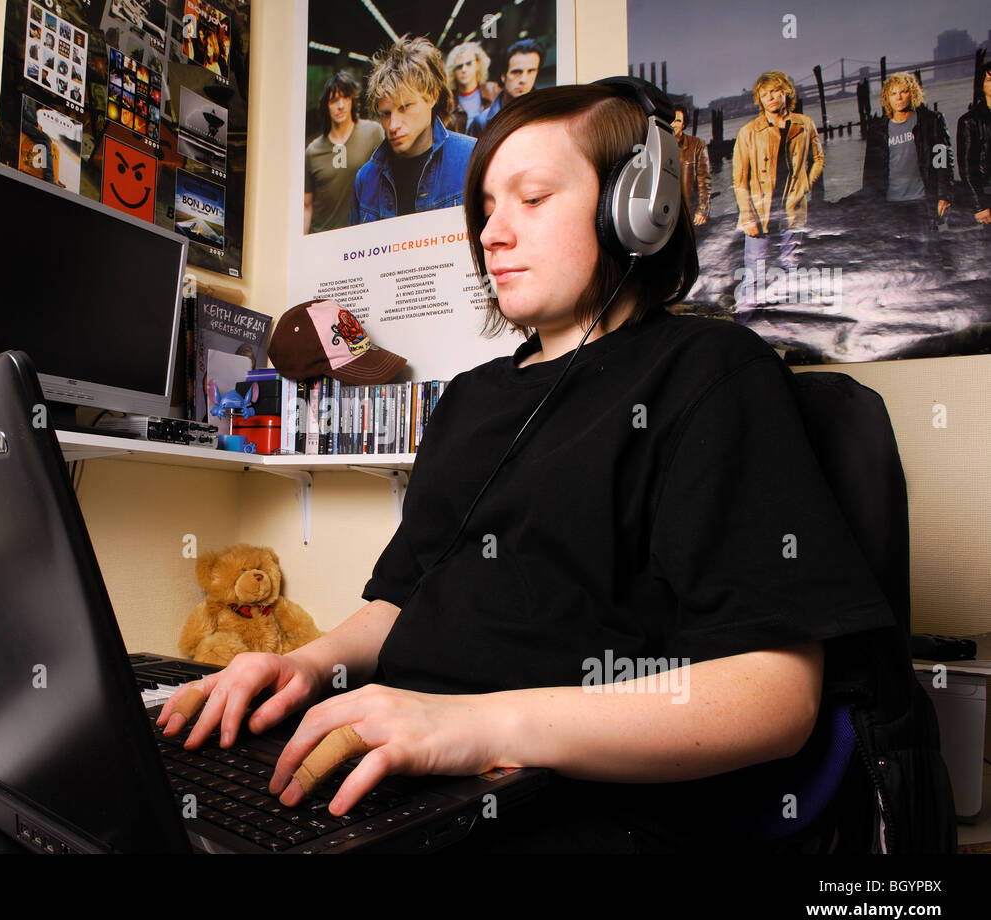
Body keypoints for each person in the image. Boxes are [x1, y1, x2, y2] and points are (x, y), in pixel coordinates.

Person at [158, 82, 897, 852]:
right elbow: (399, 604)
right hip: (400, 771)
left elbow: (774, 696)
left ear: (640, 207)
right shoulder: (469, 402)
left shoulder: (711, 375)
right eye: (485, 210)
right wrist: (301, 666)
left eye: (533, 198)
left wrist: (478, 727)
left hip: (571, 805)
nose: (493, 234)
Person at [349, 35, 475, 224]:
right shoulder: (366, 180)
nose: (393, 125)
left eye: (405, 107)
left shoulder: (471, 159)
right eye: (385, 114)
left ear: (431, 97)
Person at [731, 69, 824, 311]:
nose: (770, 97)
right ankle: (745, 319)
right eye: (764, 94)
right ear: (759, 100)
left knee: (790, 265)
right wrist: (747, 216)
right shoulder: (748, 132)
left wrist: (804, 186)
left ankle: (786, 317)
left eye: (775, 91)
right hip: (760, 210)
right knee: (754, 270)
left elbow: (819, 160)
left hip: (793, 207)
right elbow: (739, 182)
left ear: (786, 93)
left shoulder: (805, 124)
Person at [862, 72, 952, 234]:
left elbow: (943, 161)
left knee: (927, 252)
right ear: (887, 98)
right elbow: (870, 172)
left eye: (904, 92)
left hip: (922, 200)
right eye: (893, 94)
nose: (899, 97)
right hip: (891, 203)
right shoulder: (877, 130)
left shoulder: (930, 121)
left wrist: (943, 195)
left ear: (913, 93)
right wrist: (872, 208)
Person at [304, 71, 383, 234]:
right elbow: (307, 205)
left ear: (353, 101)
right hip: (323, 234)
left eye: (345, 98)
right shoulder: (313, 151)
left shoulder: (374, 133)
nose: (340, 105)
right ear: (326, 106)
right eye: (334, 100)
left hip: (363, 234)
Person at [467, 39, 542, 137]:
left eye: (531, 71)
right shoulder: (482, 122)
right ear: (503, 76)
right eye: (516, 72)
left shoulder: (548, 116)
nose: (524, 79)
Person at [956, 51, 990, 228]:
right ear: (981, 86)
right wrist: (979, 205)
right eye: (990, 80)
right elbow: (967, 167)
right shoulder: (969, 121)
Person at [445, 41, 498, 134]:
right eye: (459, 66)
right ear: (453, 71)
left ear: (478, 64)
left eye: (468, 63)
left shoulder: (493, 91)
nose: (464, 69)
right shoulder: (448, 102)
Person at [671, 107, 710, 225]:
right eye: (671, 120)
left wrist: (702, 209)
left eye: (678, 121)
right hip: (666, 213)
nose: (673, 124)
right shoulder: (658, 146)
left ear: (683, 124)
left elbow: (704, 180)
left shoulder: (697, 145)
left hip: (689, 212)